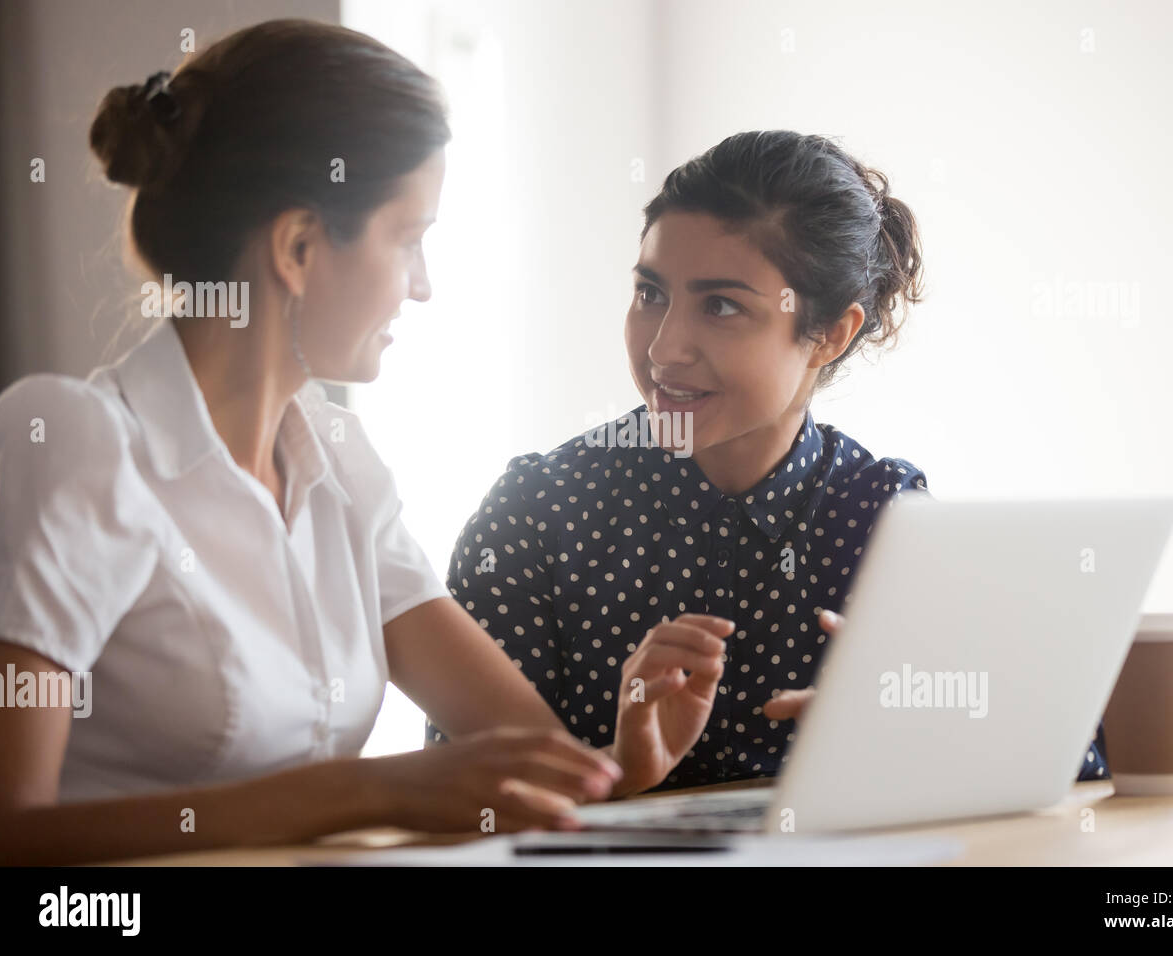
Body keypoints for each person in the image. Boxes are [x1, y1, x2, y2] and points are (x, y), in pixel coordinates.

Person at [0, 18, 692, 866]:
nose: (423, 287)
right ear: (297, 247)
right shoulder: (80, 441)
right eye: (408, 239)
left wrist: (623, 764)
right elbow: (7, 830)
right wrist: (373, 789)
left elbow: (524, 754)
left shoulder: (339, 460)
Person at [429, 130, 1111, 790]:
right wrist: (620, 764)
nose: (665, 348)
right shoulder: (537, 514)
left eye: (721, 306)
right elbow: (462, 802)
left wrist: (933, 732)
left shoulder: (887, 519)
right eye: (651, 294)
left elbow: (1076, 756)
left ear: (829, 335)